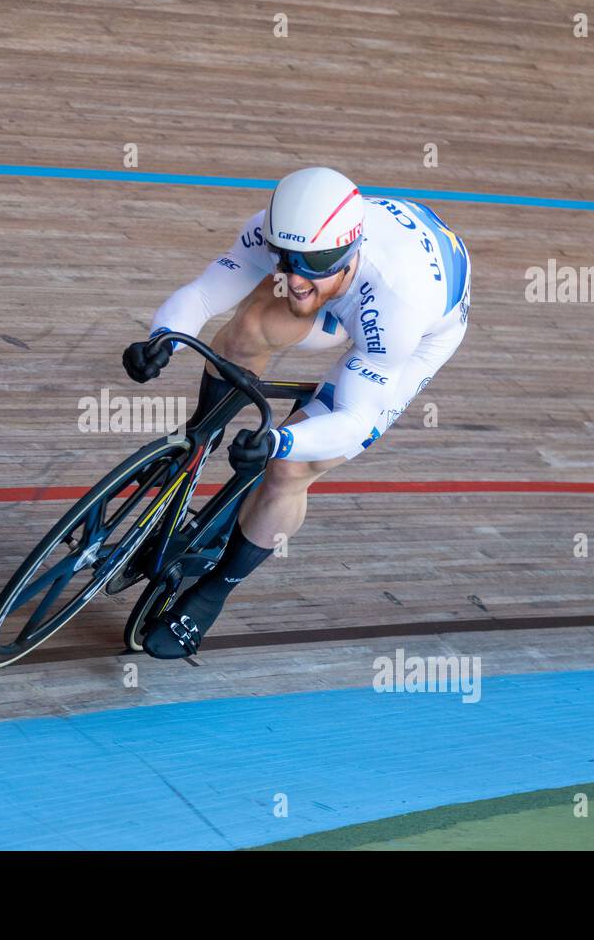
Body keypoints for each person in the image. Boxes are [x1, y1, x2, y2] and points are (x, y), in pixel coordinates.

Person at [122, 167, 471, 659]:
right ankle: (197, 445)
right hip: (352, 286)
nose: (296, 275)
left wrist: (277, 442)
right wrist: (162, 339)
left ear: (349, 250)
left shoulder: (399, 306)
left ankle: (214, 591)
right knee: (248, 328)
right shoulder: (279, 235)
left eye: (315, 263)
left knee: (290, 468)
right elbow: (204, 293)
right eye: (286, 260)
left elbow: (352, 419)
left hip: (415, 328)